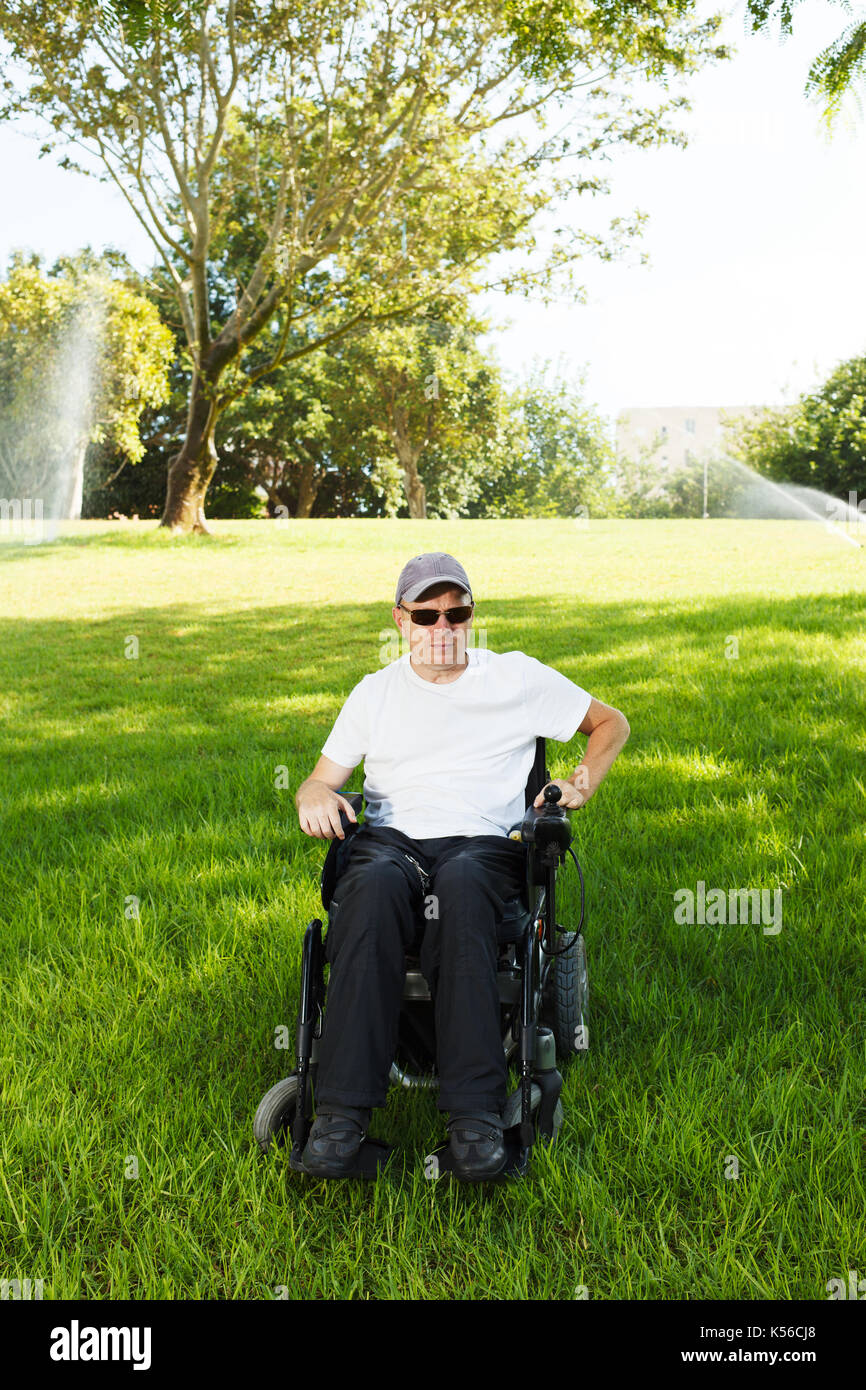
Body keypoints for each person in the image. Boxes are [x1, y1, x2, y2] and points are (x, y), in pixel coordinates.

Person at [294, 552, 630, 1178]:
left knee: (465, 889)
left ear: (472, 615)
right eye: (427, 614)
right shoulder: (375, 692)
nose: (443, 627)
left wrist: (580, 780)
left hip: (483, 843)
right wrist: (314, 795)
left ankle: (475, 1123)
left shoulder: (516, 678)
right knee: (367, 893)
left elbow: (611, 722)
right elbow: (319, 783)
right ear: (401, 619)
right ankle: (338, 1121)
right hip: (391, 843)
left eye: (458, 612)